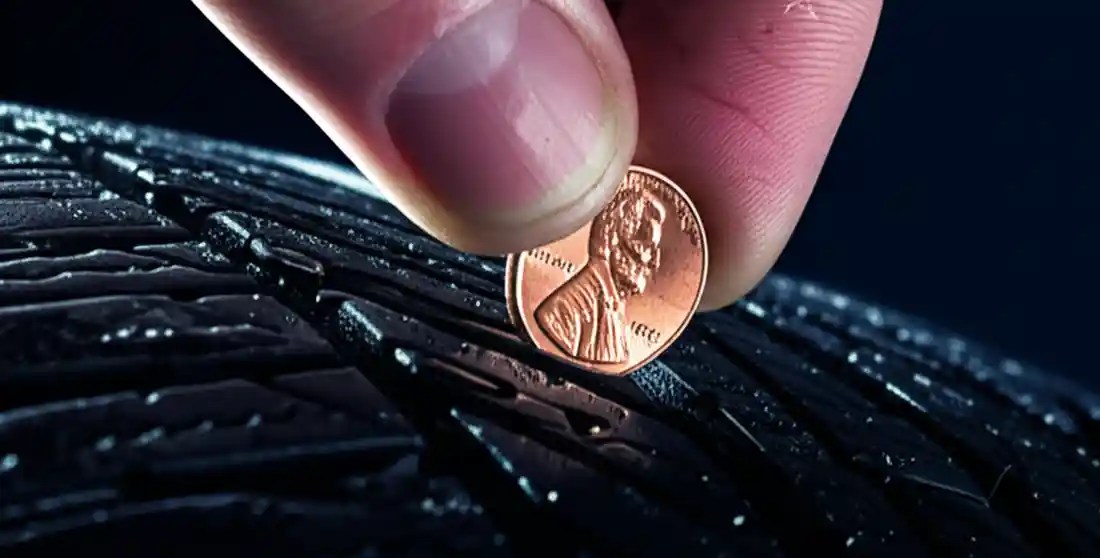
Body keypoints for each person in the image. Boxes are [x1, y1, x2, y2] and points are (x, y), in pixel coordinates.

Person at [192, 0, 882, 310]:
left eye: (641, 236)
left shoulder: (599, 304)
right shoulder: (572, 309)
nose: (646, 250)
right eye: (640, 236)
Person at [535, 180, 666, 363]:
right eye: (646, 244)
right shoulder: (562, 313)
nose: (654, 261)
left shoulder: (616, 312)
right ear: (613, 236)